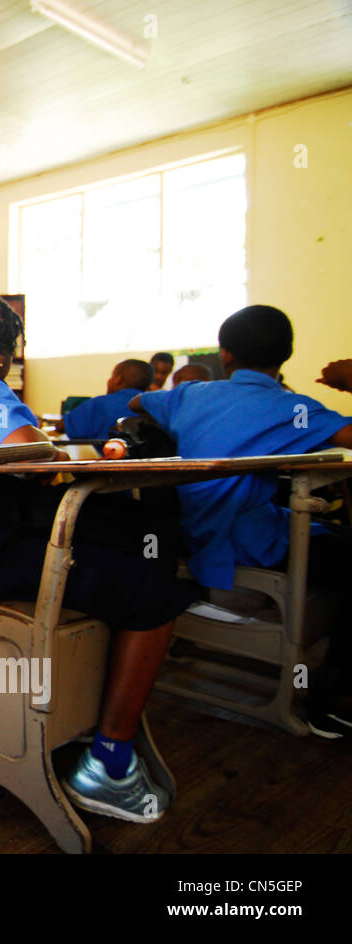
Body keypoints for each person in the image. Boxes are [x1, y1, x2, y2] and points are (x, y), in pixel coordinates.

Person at [0, 290, 195, 823]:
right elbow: (32, 455)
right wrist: (56, 449)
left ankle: (83, 696)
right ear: (1, 356)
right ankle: (109, 766)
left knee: (118, 541)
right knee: (153, 587)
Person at [131, 306, 352, 738]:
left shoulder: (189, 395)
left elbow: (138, 401)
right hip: (247, 534)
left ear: (225, 355)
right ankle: (332, 701)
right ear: (287, 354)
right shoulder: (292, 409)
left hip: (188, 528)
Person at [61, 359, 153, 440]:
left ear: (117, 380)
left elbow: (63, 427)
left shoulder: (99, 404)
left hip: (108, 457)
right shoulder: (154, 405)